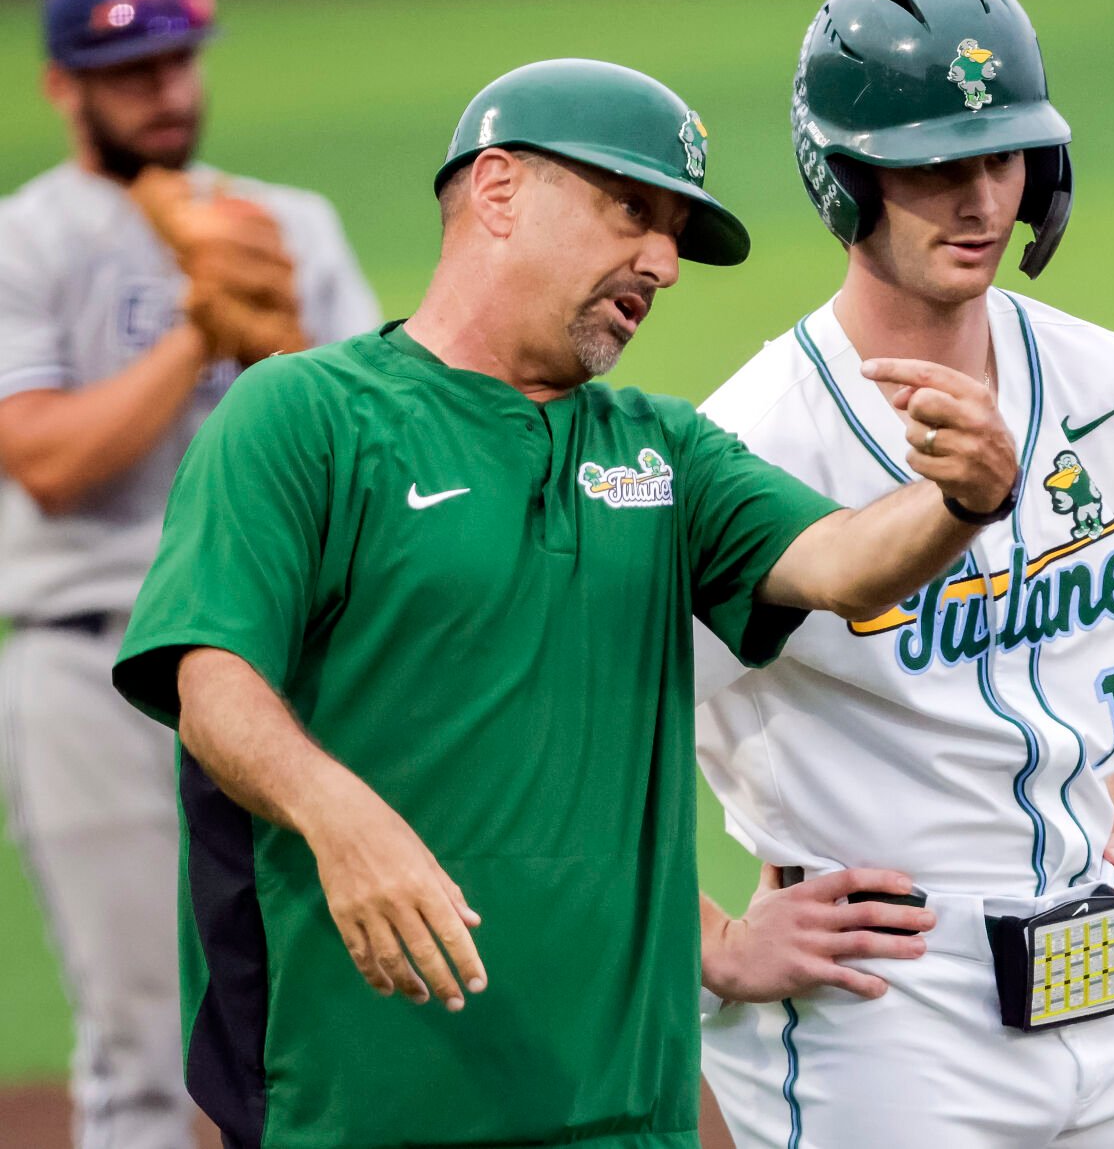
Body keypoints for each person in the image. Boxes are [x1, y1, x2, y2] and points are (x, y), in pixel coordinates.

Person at [109, 56, 1025, 1149]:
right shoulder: (305, 415)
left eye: (675, 233)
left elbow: (842, 561)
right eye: (631, 212)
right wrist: (338, 817)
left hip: (622, 1115)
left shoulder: (658, 449)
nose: (663, 263)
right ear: (497, 190)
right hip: (359, 1100)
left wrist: (962, 500)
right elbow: (209, 678)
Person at [692, 0, 1114, 1147]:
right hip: (885, 1007)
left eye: (1002, 156)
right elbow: (588, 737)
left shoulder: (1106, 384)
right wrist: (715, 949)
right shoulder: (754, 441)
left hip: (1105, 983)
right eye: (931, 164)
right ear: (845, 177)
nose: (978, 199)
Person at [0, 0, 377, 1149]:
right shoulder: (26, 242)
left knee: (332, 1021)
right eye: (129, 69)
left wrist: (270, 337)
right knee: (147, 1046)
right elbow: (49, 463)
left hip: (286, 675)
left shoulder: (287, 224)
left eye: (175, 59)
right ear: (66, 86)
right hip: (93, 671)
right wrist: (189, 338)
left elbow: (365, 451)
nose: (164, 89)